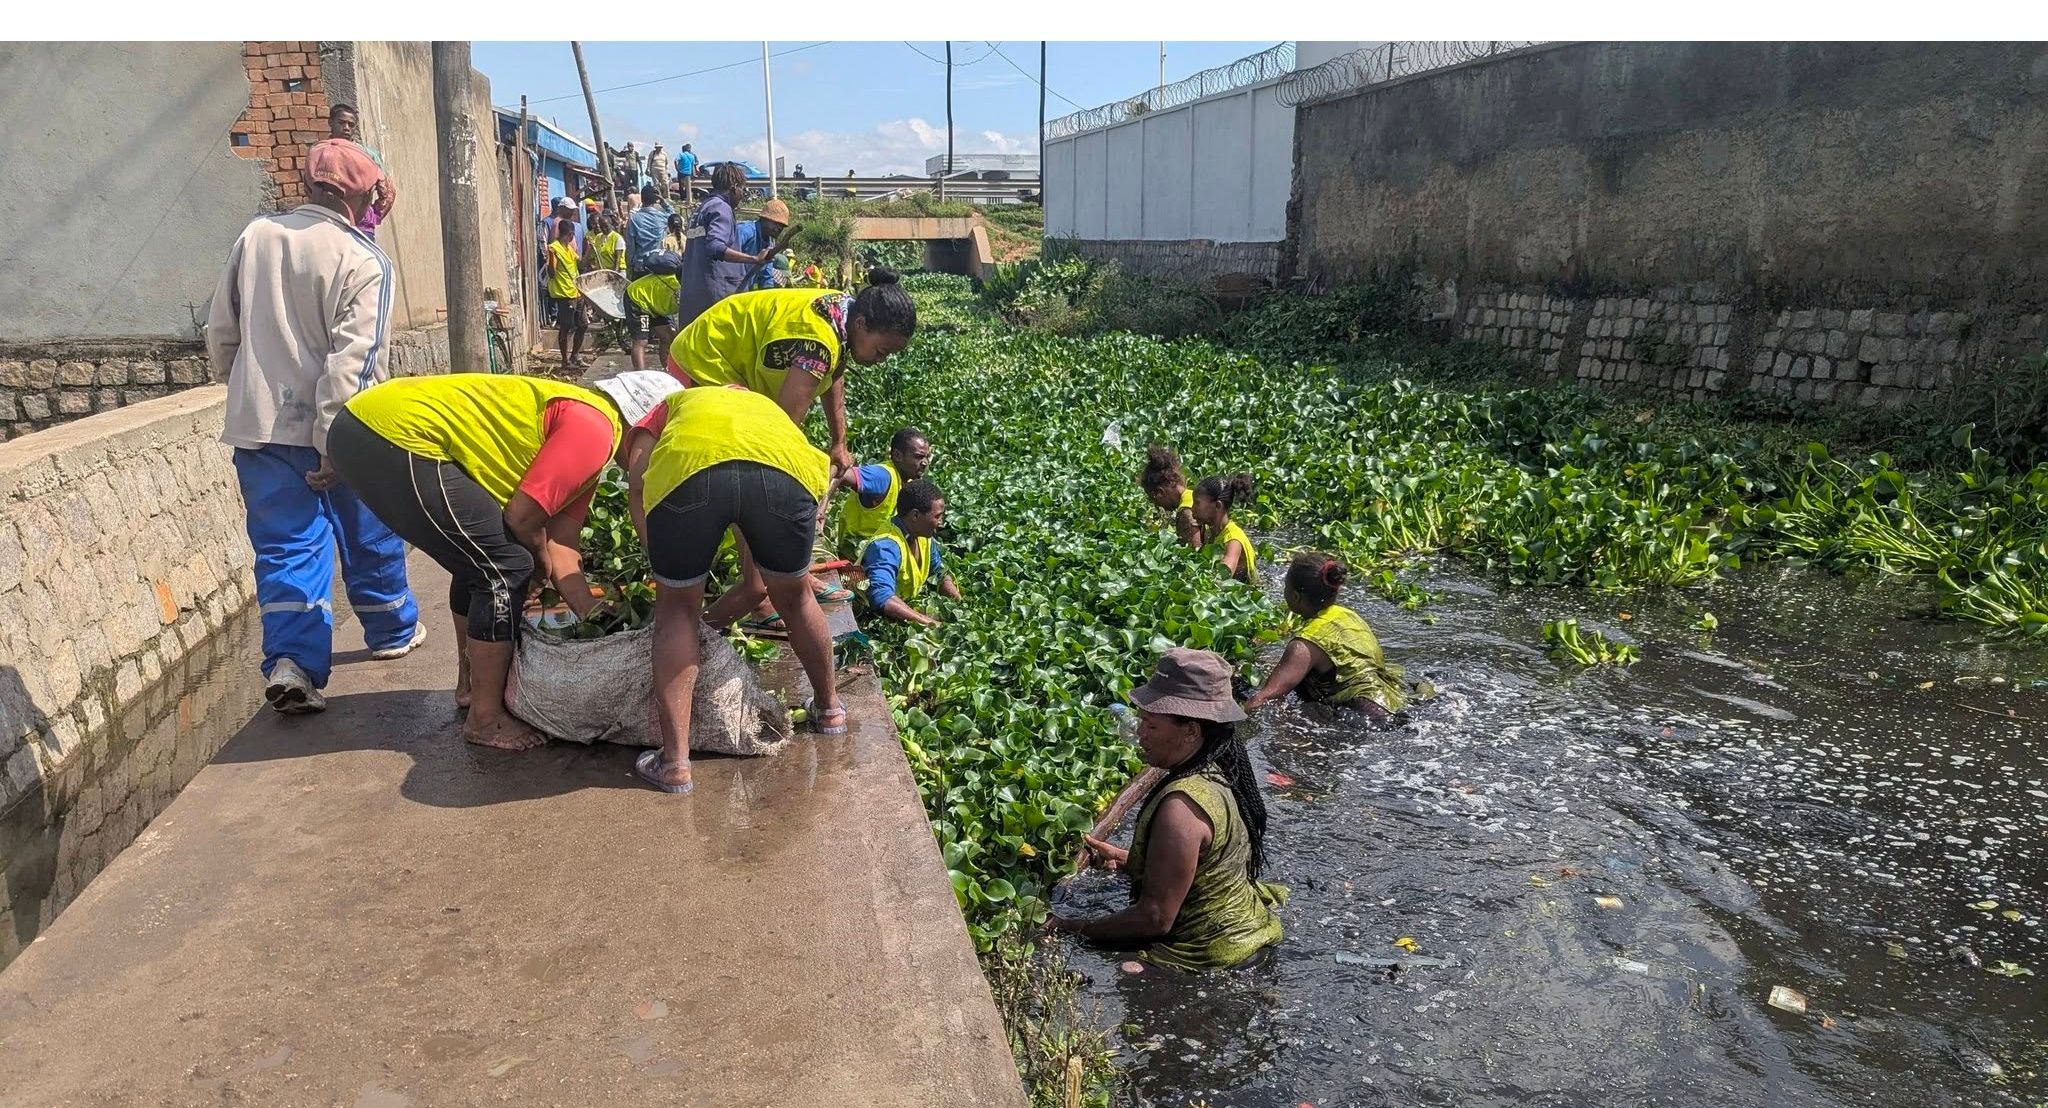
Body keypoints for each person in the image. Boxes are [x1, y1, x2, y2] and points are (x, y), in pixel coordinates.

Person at [329, 371, 682, 750]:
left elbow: (562, 544)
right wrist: (537, 565)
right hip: (391, 433)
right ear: (643, 422)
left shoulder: (593, 433)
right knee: (505, 566)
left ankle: (471, 687)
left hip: (362, 427)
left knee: (481, 559)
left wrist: (595, 613)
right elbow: (523, 517)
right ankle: (485, 718)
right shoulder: (594, 427)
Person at [207, 138, 424, 715]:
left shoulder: (256, 237)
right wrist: (334, 446)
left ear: (308, 184)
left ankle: (293, 664)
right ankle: (391, 632)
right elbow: (351, 364)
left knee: (285, 547)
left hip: (261, 428)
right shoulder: (364, 261)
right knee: (370, 530)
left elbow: (221, 329)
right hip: (343, 430)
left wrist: (243, 388)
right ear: (366, 196)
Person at [624, 384, 847, 794]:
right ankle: (830, 711)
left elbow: (638, 475)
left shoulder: (668, 406)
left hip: (689, 472)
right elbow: (754, 487)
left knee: (677, 612)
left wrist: (656, 552)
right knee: (797, 598)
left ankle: (674, 763)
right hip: (786, 473)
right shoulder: (761, 406)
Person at [1052, 649, 1286, 971]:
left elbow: (1155, 919)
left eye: (1150, 725)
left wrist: (1070, 926)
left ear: (1191, 730)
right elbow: (1204, 863)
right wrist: (1128, 858)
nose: (1140, 733)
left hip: (1211, 957)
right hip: (1249, 936)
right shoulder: (1219, 770)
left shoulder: (1181, 808)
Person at [665, 274, 918, 477]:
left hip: (728, 352)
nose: (881, 360)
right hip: (703, 359)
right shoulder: (818, 343)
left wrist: (839, 442)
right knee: (728, 459)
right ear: (862, 324)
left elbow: (836, 372)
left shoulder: (843, 312)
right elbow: (781, 426)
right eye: (882, 351)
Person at [1243, 554, 1412, 718]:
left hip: (1364, 714)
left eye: (1286, 587)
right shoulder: (1349, 615)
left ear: (1295, 596)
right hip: (1394, 700)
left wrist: (1232, 719)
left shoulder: (1305, 642)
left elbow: (1266, 698)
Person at [857, 479, 959, 626]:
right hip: (873, 619)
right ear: (915, 515)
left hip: (905, 610)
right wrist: (929, 623)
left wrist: (958, 602)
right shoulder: (885, 546)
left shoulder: (924, 535)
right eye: (937, 516)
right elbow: (882, 598)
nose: (941, 522)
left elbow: (939, 572)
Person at [677, 162, 766, 327]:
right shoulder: (721, 208)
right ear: (734, 188)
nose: (742, 195)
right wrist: (753, 259)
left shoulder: (701, 209)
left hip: (695, 295)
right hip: (717, 298)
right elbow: (715, 247)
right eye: (742, 189)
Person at [832, 426, 932, 554]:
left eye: (926, 457)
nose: (924, 463)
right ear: (897, 455)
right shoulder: (882, 476)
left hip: (880, 551)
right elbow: (840, 474)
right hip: (854, 553)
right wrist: (820, 510)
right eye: (918, 457)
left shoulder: (910, 481)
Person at [327, 103, 396, 240]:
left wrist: (372, 214)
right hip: (329, 224)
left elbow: (388, 191)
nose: (346, 128)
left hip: (361, 226)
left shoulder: (367, 154)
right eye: (341, 123)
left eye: (351, 125)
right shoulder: (322, 152)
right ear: (331, 122)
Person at [1193, 473, 1258, 584]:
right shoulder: (1210, 533)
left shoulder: (1233, 541)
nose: (1192, 508)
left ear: (1218, 506)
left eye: (1197, 503)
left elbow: (1221, 581)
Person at [544, 219, 589, 369]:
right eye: (572, 236)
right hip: (564, 293)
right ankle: (565, 360)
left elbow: (580, 264)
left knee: (583, 324)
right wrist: (551, 258)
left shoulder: (569, 249)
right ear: (569, 234)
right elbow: (551, 273)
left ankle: (575, 355)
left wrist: (589, 250)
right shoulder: (554, 249)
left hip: (576, 291)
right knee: (566, 326)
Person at [1139, 444, 1200, 549]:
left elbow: (1195, 552)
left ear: (1160, 492)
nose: (1157, 505)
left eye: (1153, 499)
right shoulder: (1192, 495)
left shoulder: (1186, 512)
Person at [624, 269, 679, 374]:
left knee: (668, 336)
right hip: (638, 299)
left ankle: (668, 372)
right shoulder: (682, 286)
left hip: (656, 303)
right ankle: (642, 377)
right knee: (641, 341)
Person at [734, 197, 792, 292]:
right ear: (764, 219)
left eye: (782, 226)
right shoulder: (745, 231)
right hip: (729, 285)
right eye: (775, 223)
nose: (779, 228)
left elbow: (766, 274)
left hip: (745, 290)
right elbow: (726, 259)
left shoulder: (769, 243)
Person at [624, 183, 670, 278]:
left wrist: (630, 266)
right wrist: (663, 202)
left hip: (640, 267)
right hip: (659, 264)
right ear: (656, 199)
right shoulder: (663, 217)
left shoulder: (634, 219)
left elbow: (630, 247)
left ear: (642, 199)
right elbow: (674, 217)